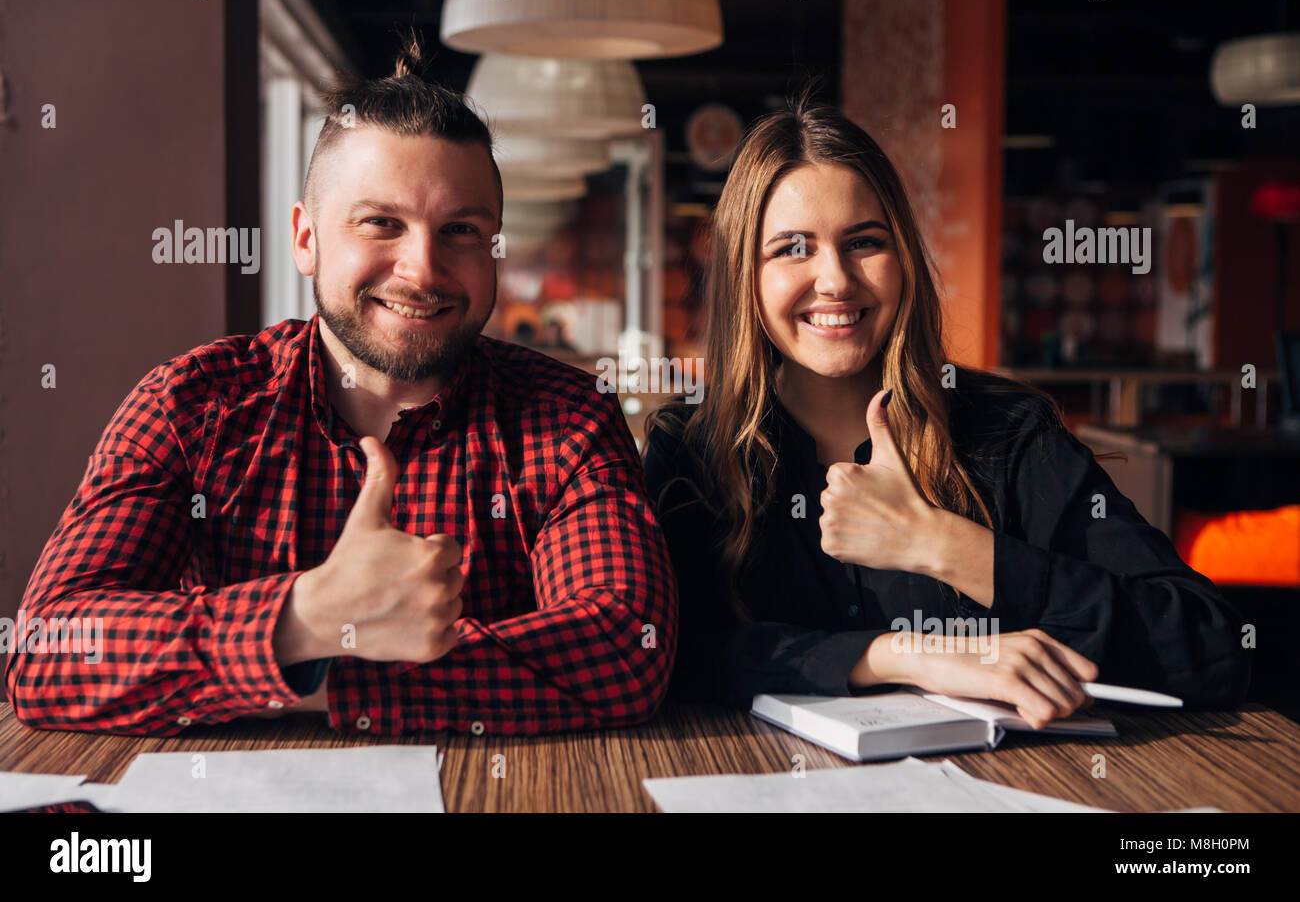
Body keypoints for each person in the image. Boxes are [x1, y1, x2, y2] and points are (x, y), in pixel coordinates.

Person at [5, 36, 676, 736]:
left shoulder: (567, 417)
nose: (421, 269)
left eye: (461, 231)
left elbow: (627, 649)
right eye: (381, 223)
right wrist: (305, 619)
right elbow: (49, 651)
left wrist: (318, 671)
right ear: (305, 239)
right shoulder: (189, 405)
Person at [641, 91, 1250, 728]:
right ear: (746, 276)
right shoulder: (692, 451)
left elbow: (1214, 649)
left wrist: (944, 545)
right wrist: (901, 656)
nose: (836, 280)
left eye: (864, 242)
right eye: (792, 247)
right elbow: (658, 652)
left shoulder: (1008, 433)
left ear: (902, 258)